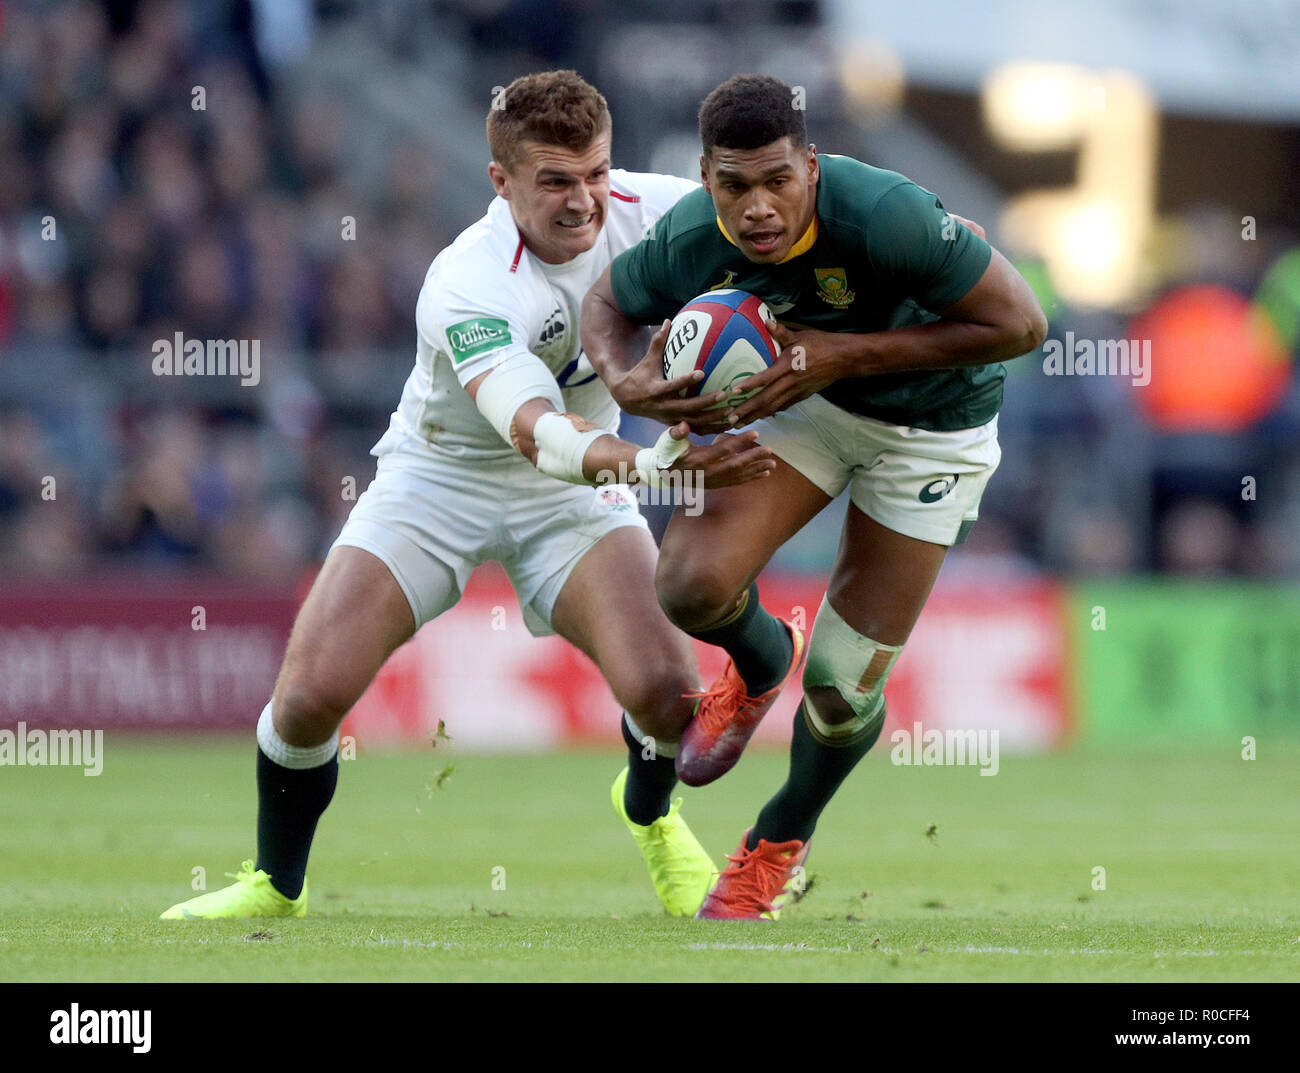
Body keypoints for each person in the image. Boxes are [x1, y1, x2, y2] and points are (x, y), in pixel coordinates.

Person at [161, 70, 775, 921]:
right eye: (555, 180)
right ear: (501, 180)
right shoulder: (468, 279)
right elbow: (535, 430)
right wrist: (654, 467)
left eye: (596, 173)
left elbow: (780, 217)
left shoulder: (660, 213)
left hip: (569, 497)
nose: (583, 201)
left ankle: (651, 814)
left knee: (671, 701)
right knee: (307, 699)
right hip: (440, 479)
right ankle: (276, 884)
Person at [581, 73, 1047, 920]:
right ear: (706, 176)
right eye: (734, 185)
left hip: (934, 428)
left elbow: (1022, 323)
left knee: (840, 688)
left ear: (812, 167)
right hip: (809, 406)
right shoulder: (694, 235)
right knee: (689, 586)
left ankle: (776, 842)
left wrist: (842, 353)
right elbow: (608, 300)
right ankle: (761, 663)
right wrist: (625, 379)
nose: (758, 207)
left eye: (778, 180)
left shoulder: (886, 216)